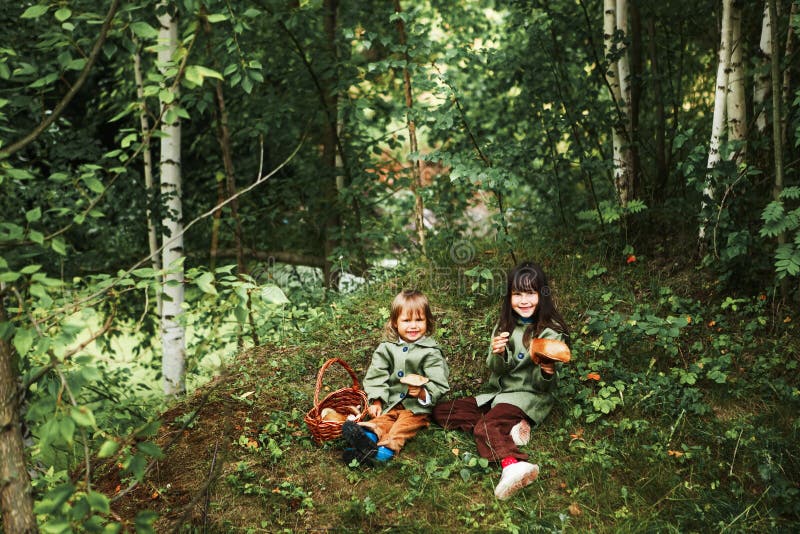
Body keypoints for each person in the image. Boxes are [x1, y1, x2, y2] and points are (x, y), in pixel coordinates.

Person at [432, 261, 570, 500]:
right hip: (497, 394)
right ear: (509, 297)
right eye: (518, 294)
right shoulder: (504, 325)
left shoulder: (550, 332)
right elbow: (495, 370)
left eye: (530, 293)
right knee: (443, 412)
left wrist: (547, 370)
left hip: (527, 396)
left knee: (485, 427)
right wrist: (498, 354)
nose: (524, 301)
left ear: (542, 295)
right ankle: (509, 429)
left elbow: (543, 385)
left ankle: (512, 464)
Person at [342, 289, 450, 466]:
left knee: (402, 427)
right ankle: (366, 438)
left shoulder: (431, 352)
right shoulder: (386, 348)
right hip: (392, 402)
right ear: (395, 323)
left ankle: (383, 452)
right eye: (406, 320)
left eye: (419, 320)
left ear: (428, 322)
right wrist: (376, 400)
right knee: (383, 420)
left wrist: (423, 393)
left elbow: (439, 381)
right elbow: (377, 374)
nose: (413, 326)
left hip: (416, 408)